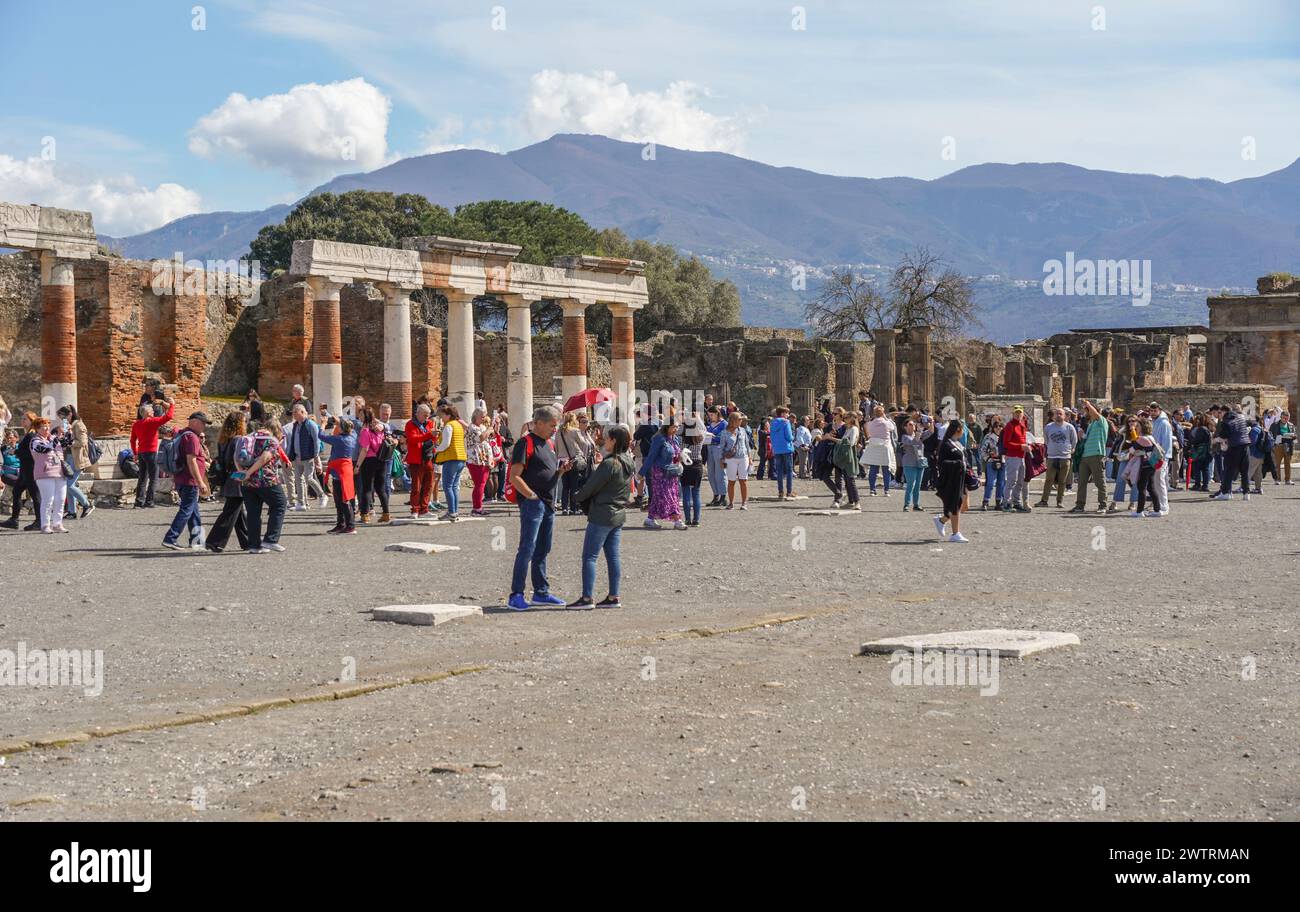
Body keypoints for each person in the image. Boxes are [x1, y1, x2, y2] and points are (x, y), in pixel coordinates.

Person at [506, 406, 573, 611]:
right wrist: (531, 496)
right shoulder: (524, 443)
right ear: (540, 423)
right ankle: (516, 594)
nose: (555, 429)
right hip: (533, 504)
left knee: (543, 549)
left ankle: (541, 592)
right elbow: (514, 476)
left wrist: (560, 472)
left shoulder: (549, 443)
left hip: (548, 502)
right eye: (553, 425)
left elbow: (546, 475)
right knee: (527, 548)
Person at [567, 424, 635, 608]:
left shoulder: (609, 464)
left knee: (590, 556)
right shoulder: (628, 462)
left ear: (614, 440)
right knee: (613, 557)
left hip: (602, 513)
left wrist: (577, 497)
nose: (604, 441)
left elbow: (591, 486)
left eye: (607, 438)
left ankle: (587, 598)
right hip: (618, 513)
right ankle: (614, 596)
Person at [237, 419, 290, 552]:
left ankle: (254, 545)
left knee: (253, 512)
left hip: (246, 482)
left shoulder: (248, 437)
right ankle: (270, 539)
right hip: (265, 479)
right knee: (280, 504)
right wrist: (250, 472)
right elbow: (265, 457)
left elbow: (235, 456)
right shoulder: (271, 440)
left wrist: (243, 472)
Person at [162, 411, 211, 550]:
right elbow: (192, 461)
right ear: (194, 422)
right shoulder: (191, 438)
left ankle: (197, 541)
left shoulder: (182, 434)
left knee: (193, 511)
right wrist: (200, 482)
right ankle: (171, 538)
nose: (204, 427)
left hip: (183, 478)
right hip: (190, 480)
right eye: (202, 423)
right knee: (187, 510)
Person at [205, 412, 250, 553]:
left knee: (238, 513)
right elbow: (241, 460)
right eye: (244, 421)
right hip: (237, 478)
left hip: (228, 477)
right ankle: (214, 541)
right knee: (230, 512)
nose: (246, 423)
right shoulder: (238, 439)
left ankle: (248, 541)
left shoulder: (223, 440)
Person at [129, 396, 175, 508]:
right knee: (154, 477)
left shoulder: (136, 424)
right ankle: (149, 502)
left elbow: (132, 440)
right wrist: (172, 405)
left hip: (141, 453)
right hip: (151, 452)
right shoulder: (152, 422)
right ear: (147, 412)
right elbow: (169, 416)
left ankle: (139, 501)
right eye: (151, 410)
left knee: (142, 478)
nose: (153, 411)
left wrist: (135, 453)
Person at [641, 418, 685, 530]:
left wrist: (679, 457)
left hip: (672, 472)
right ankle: (677, 520)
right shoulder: (658, 439)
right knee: (668, 497)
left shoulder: (674, 439)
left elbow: (674, 456)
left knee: (659, 496)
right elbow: (651, 457)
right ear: (667, 427)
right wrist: (641, 472)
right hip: (660, 473)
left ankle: (650, 519)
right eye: (674, 427)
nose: (676, 429)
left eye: (677, 426)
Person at [932, 419, 970, 543]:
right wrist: (957, 464)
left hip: (961, 478)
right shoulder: (946, 444)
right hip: (951, 479)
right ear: (957, 429)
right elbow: (941, 463)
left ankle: (942, 520)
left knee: (964, 505)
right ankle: (955, 533)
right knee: (956, 504)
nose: (964, 432)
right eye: (962, 429)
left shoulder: (958, 443)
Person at [29, 417, 69, 534]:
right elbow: (45, 449)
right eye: (43, 426)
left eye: (48, 426)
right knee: (48, 500)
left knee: (60, 499)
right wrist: (56, 440)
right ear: (37, 429)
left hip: (60, 472)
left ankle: (57, 523)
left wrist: (67, 433)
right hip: (44, 473)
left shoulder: (53, 438)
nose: (47, 428)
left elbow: (68, 443)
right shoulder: (35, 441)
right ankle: (45, 525)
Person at [284, 404, 326, 511]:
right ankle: (302, 503)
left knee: (309, 478)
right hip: (297, 457)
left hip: (308, 456)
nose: (293, 414)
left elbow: (317, 441)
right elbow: (293, 441)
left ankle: (322, 495)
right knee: (299, 479)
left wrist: (316, 457)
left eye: (295, 412)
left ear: (302, 412)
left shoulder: (310, 424)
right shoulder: (296, 425)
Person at [320, 417, 358, 534]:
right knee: (342, 499)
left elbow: (321, 436)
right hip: (345, 470)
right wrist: (340, 422)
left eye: (338, 426)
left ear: (341, 429)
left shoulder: (339, 439)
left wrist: (323, 424)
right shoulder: (353, 436)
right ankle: (341, 524)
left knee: (343, 500)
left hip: (339, 471)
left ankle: (350, 525)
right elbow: (352, 429)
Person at [1071, 399, 1110, 513]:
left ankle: (1103, 505)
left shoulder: (1102, 421)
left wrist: (1088, 404)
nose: (1086, 413)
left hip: (1097, 455)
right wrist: (1082, 435)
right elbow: (1088, 440)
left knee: (1099, 482)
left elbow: (1096, 414)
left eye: (1088, 411)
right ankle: (1080, 505)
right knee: (1081, 482)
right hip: (1085, 455)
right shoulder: (1091, 425)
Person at [56, 404, 94, 520]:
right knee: (68, 484)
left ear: (70, 414)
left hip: (77, 459)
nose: (62, 420)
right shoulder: (69, 425)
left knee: (69, 484)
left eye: (63, 417)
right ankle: (72, 512)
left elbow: (83, 442)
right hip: (69, 458)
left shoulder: (79, 425)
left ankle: (87, 504)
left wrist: (69, 442)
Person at [1036, 408, 1077, 508]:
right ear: (1053, 416)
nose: (1058, 415)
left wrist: (1071, 450)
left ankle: (1059, 501)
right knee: (1049, 479)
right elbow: (1046, 440)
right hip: (1052, 456)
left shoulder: (1069, 427)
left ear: (1064, 415)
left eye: (1060, 414)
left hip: (1065, 457)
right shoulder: (1048, 427)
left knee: (1062, 481)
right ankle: (1044, 500)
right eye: (1056, 414)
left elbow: (1074, 440)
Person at [357, 416, 395, 524]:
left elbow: (365, 450)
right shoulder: (381, 432)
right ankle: (386, 513)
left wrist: (357, 466)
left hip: (369, 461)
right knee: (381, 489)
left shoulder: (366, 432)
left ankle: (365, 515)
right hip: (381, 461)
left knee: (367, 488)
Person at [434, 403, 468, 521]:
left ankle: (451, 512)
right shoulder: (458, 425)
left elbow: (446, 444)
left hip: (451, 458)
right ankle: (455, 511)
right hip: (461, 458)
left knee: (447, 486)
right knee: (454, 486)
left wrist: (436, 450)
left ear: (448, 415)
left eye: (442, 415)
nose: (441, 418)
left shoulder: (449, 426)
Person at [557, 411, 595, 515]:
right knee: (574, 486)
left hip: (562, 460)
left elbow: (556, 446)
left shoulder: (559, 431)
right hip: (573, 460)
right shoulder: (575, 431)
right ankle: (573, 508)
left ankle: (565, 508)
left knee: (565, 486)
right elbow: (583, 443)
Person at [1212, 405, 1251, 500]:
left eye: (1220, 413)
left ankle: (1226, 492)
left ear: (1224, 412)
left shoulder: (1226, 421)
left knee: (1228, 470)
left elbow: (1224, 436)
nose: (1219, 415)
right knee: (1244, 472)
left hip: (1234, 447)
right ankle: (1246, 493)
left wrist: (1215, 440)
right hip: (1245, 446)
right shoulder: (1241, 418)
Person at [404, 404, 437, 518]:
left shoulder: (430, 423)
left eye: (428, 415)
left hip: (428, 457)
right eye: (425, 415)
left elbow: (433, 439)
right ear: (417, 414)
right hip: (416, 459)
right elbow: (412, 439)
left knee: (428, 485)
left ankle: (424, 509)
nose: (427, 418)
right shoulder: (410, 424)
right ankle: (415, 510)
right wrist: (428, 435)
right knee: (416, 486)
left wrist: (434, 436)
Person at [1000, 406, 1031, 512]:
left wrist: (1025, 446)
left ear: (1023, 414)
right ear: (1013, 414)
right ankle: (1006, 503)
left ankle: (1016, 502)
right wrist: (1021, 446)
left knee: (1020, 481)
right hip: (1013, 456)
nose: (1018, 415)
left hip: (1021, 456)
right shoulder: (1010, 425)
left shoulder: (1022, 425)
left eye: (1020, 413)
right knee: (1011, 480)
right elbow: (1006, 443)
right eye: (1016, 413)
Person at [861, 405, 897, 496]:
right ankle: (886, 490)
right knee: (886, 469)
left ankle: (872, 490)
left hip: (874, 445)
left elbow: (866, 428)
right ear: (883, 413)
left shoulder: (870, 423)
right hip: (884, 446)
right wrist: (886, 418)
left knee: (873, 469)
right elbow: (893, 427)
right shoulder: (887, 422)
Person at [466, 408, 494, 517]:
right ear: (476, 416)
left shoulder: (482, 427)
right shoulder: (472, 427)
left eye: (485, 416)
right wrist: (489, 430)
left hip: (484, 460)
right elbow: (480, 438)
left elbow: (488, 437)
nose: (484, 418)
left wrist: (492, 429)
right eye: (482, 416)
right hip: (475, 460)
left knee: (482, 484)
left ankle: (479, 507)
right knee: (480, 484)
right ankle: (476, 508)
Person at [719, 411, 751, 509]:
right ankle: (731, 503)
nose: (741, 422)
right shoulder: (724, 432)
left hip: (743, 457)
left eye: (741, 420)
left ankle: (744, 503)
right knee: (731, 481)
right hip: (731, 459)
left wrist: (749, 457)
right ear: (733, 420)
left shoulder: (742, 430)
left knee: (743, 480)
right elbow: (722, 447)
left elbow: (747, 444)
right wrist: (721, 459)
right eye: (739, 420)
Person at [679, 413, 705, 527]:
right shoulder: (700, 437)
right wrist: (697, 418)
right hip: (697, 464)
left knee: (685, 494)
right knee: (696, 493)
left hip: (685, 465)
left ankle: (687, 519)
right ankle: (696, 520)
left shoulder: (681, 439)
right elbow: (703, 428)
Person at [899, 417, 927, 512]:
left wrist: (931, 422)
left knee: (918, 485)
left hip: (920, 462)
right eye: (910, 424)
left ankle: (916, 504)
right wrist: (919, 433)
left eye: (913, 424)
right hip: (909, 463)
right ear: (905, 427)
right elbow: (913, 442)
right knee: (911, 484)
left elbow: (931, 432)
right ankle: (906, 504)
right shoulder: (905, 437)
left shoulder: (919, 434)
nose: (913, 426)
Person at [768, 406, 796, 500]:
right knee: (789, 471)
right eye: (787, 413)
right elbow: (788, 436)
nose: (788, 415)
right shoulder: (785, 422)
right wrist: (793, 438)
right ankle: (789, 492)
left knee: (779, 471)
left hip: (777, 449)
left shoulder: (772, 423)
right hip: (786, 448)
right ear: (783, 413)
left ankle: (780, 492)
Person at [979, 415, 1005, 510]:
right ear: (993, 428)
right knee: (990, 483)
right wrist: (988, 459)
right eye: (996, 426)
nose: (998, 428)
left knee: (1001, 483)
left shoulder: (1005, 437)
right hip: (991, 462)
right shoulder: (989, 437)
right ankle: (985, 501)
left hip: (1003, 461)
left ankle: (999, 502)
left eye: (1000, 426)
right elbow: (982, 450)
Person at [704, 406, 728, 506]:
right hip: (709, 448)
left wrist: (713, 437)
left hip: (719, 449)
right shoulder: (710, 424)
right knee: (711, 473)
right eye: (709, 415)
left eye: (712, 415)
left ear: (717, 413)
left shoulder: (724, 423)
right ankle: (716, 495)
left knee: (720, 473)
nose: (710, 417)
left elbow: (724, 437)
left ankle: (723, 496)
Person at [1271, 411, 1295, 485]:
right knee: (1277, 463)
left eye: (1287, 418)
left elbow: (1294, 434)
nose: (1286, 419)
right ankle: (1277, 479)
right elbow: (1270, 434)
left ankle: (1288, 480)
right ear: (1281, 417)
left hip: (1288, 446)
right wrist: (1275, 439)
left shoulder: (1291, 425)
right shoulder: (1275, 425)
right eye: (1284, 418)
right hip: (1278, 446)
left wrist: (1294, 437)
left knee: (1288, 463)